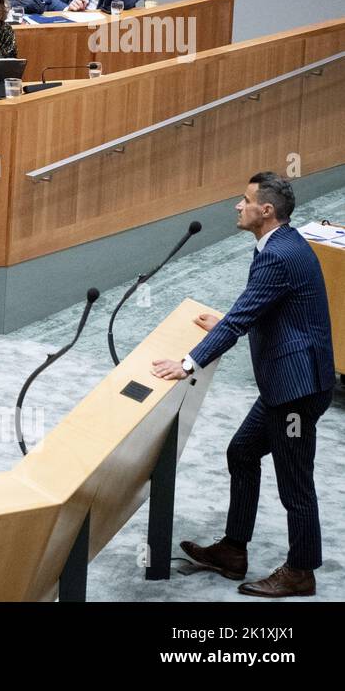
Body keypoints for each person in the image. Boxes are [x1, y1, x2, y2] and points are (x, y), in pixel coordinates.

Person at [153, 173, 335, 599]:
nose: (238, 206)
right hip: (286, 383)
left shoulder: (278, 255)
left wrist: (187, 363)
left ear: (265, 211)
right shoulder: (280, 245)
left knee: (296, 483)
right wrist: (227, 323)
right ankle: (234, 550)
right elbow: (265, 308)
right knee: (242, 452)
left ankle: (301, 572)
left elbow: (241, 319)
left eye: (245, 200)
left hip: (297, 390)